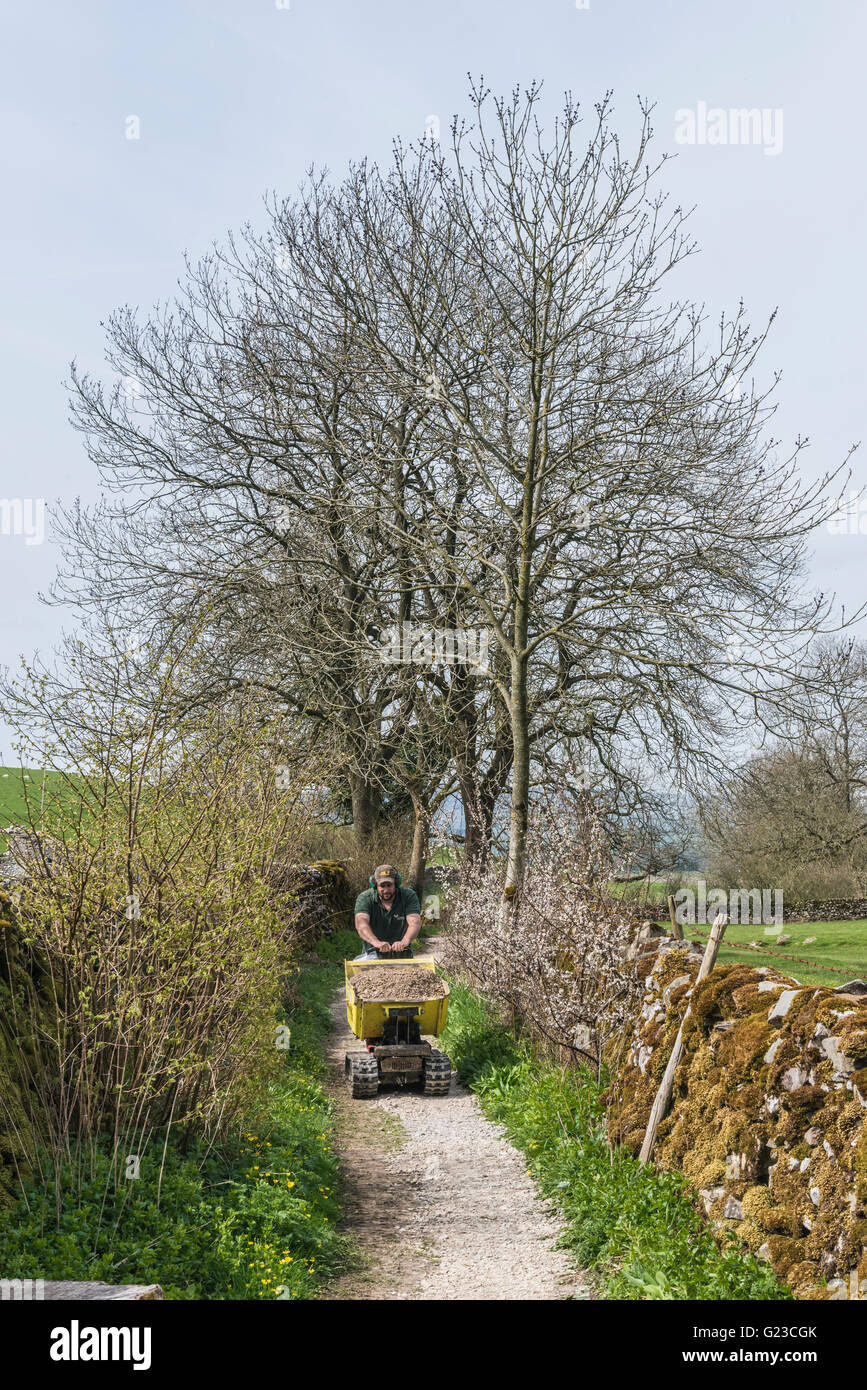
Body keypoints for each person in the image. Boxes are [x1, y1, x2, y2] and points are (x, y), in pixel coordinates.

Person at [353, 864, 422, 960]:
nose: (386, 890)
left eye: (389, 885)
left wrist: (404, 941)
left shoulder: (408, 896)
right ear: (375, 885)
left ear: (396, 883)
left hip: (402, 955)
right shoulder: (365, 898)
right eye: (382, 886)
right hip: (373, 955)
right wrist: (376, 942)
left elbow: (414, 922)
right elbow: (361, 923)